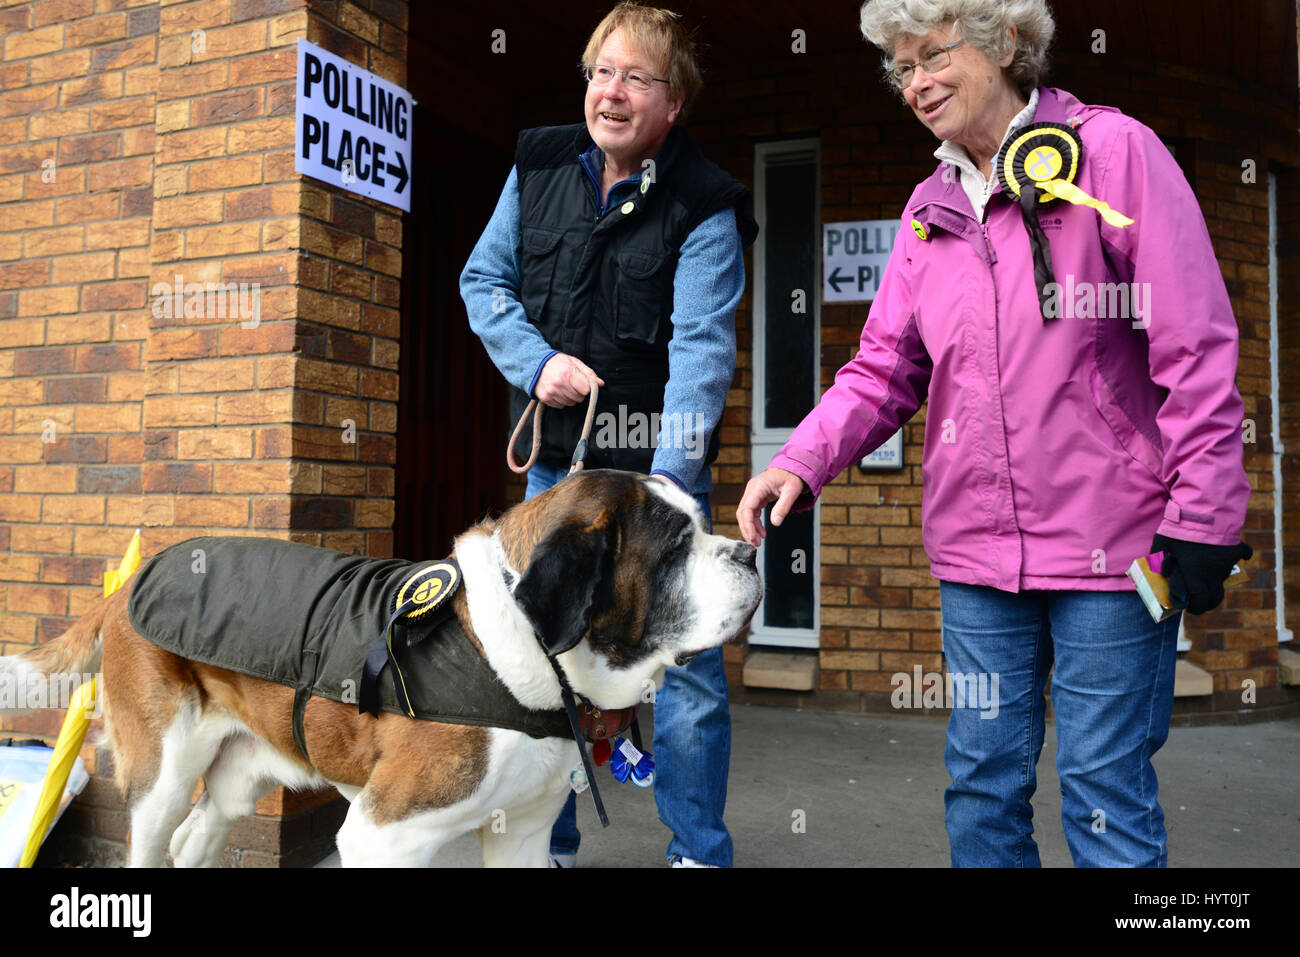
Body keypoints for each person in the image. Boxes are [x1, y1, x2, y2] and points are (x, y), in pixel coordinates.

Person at [738, 0, 1251, 867]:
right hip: (976, 557)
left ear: (1005, 42)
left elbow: (1193, 342)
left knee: (1103, 790)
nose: (915, 85)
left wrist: (1204, 514)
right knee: (981, 782)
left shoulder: (1113, 155)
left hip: (1117, 551)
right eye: (900, 69)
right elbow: (880, 369)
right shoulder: (928, 207)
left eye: (930, 57)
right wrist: (802, 456)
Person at [460, 1, 757, 867]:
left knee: (688, 668)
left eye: (637, 77)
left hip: (660, 475)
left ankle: (697, 850)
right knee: (539, 651)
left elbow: (701, 358)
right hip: (556, 469)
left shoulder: (706, 203)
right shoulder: (539, 159)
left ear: (674, 104)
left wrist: (661, 500)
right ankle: (542, 848)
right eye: (601, 72)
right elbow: (486, 281)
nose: (612, 92)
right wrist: (534, 360)